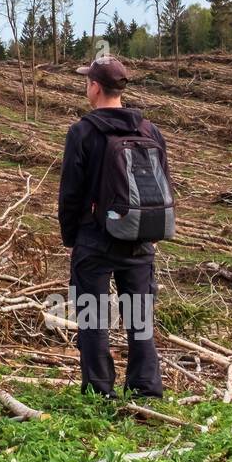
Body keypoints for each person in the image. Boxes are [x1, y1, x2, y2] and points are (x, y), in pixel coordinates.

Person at [57, 55, 170, 398]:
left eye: (86, 81)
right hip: (139, 237)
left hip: (95, 238)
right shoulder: (150, 131)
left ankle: (99, 391)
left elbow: (71, 193)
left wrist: (71, 238)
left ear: (94, 87)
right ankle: (145, 388)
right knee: (140, 318)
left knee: (93, 318)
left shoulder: (83, 132)